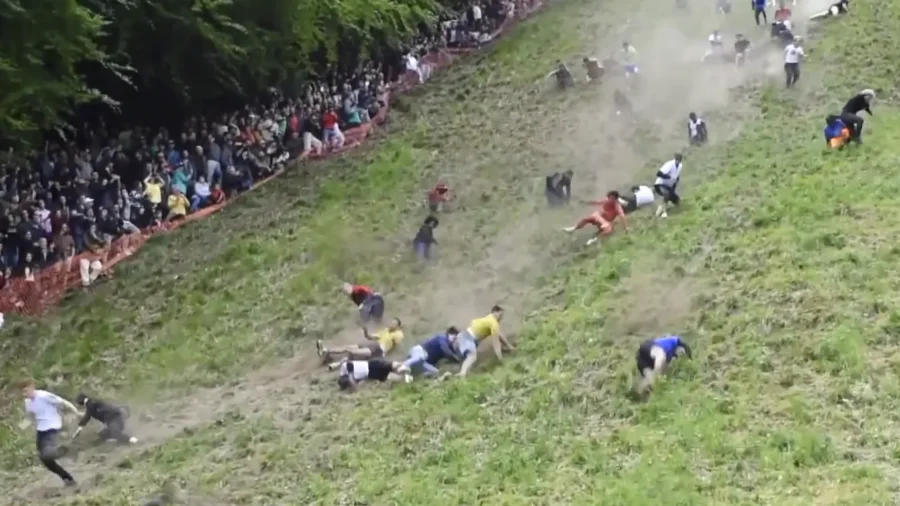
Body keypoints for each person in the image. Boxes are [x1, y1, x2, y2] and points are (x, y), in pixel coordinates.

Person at [19, 379, 82, 487]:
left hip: (52, 427)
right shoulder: (27, 402)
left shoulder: (44, 396)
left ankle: (67, 450)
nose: (25, 394)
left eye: (26, 391)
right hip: (41, 431)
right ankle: (67, 478)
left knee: (47, 454)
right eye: (23, 392)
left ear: (32, 387)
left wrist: (76, 412)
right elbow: (29, 417)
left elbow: (62, 402)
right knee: (45, 460)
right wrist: (21, 427)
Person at [454, 306, 514, 378]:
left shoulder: (488, 318)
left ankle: (464, 374)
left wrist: (509, 346)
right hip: (467, 337)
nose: (501, 318)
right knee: (472, 356)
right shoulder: (493, 322)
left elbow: (498, 335)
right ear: (495, 312)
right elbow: (496, 343)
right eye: (500, 315)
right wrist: (500, 358)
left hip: (462, 337)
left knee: (470, 358)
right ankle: (462, 373)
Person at [318, 317, 404, 368]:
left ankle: (336, 364)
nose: (391, 324)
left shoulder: (398, 334)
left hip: (379, 349)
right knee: (348, 347)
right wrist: (365, 330)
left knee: (352, 352)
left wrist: (385, 354)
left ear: (398, 326)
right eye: (391, 323)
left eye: (394, 324)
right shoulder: (386, 331)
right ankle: (326, 351)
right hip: (372, 345)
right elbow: (369, 337)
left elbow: (395, 347)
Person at [562, 191, 628, 246]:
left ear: (614, 199)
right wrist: (586, 202)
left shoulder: (617, 206)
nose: (609, 199)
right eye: (608, 197)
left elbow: (622, 216)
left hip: (607, 221)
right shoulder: (606, 200)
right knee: (586, 219)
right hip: (600, 217)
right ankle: (573, 229)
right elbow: (596, 202)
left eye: (611, 198)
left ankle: (594, 240)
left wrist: (625, 228)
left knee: (606, 229)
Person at [71, 393, 138, 445]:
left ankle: (131, 440)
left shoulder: (91, 404)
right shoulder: (93, 402)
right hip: (112, 419)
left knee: (115, 433)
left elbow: (87, 416)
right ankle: (115, 440)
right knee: (102, 434)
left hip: (114, 419)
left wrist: (79, 429)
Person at [336, 358, 413, 391]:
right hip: (372, 375)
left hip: (371, 365)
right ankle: (408, 378)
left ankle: (405, 365)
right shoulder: (353, 378)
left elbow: (348, 363)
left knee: (391, 365)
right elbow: (359, 383)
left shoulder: (345, 367)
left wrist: (351, 379)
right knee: (390, 377)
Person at [654, 153, 683, 219]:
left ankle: (660, 207)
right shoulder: (669, 164)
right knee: (666, 194)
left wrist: (674, 186)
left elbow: (677, 176)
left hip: (669, 186)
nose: (677, 161)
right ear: (675, 159)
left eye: (679, 160)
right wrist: (668, 177)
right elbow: (659, 173)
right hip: (660, 184)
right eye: (677, 160)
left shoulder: (680, 166)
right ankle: (664, 213)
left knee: (676, 200)